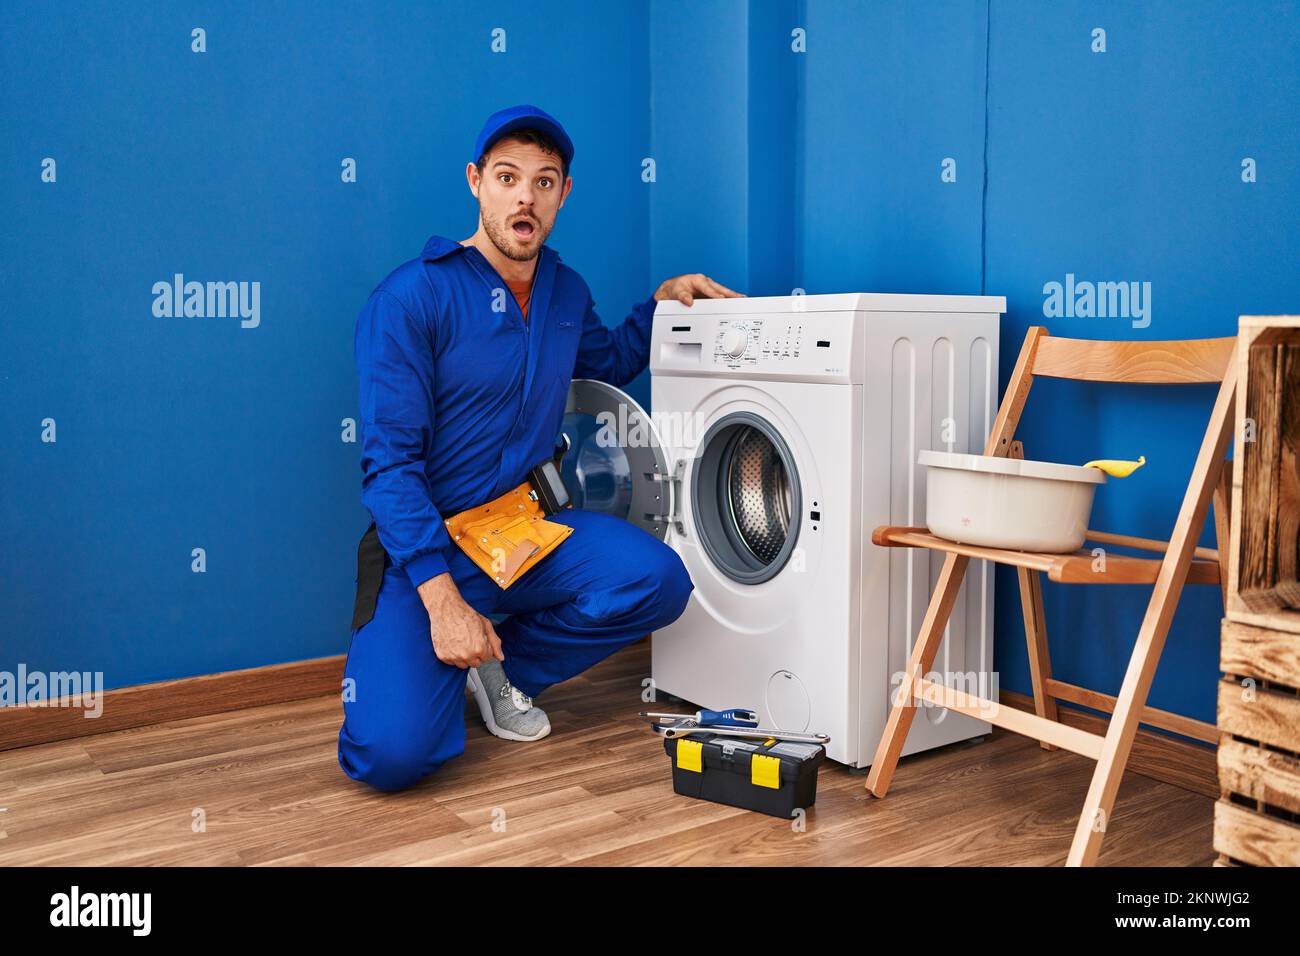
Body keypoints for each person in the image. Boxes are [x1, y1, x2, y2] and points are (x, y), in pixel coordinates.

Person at [338, 104, 743, 791]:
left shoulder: (564, 291)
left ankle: (504, 671)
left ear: (563, 194)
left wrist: (662, 303)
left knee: (658, 579)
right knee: (391, 755)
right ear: (476, 182)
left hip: (521, 531)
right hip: (428, 550)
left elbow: (609, 360)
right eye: (507, 177)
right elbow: (390, 468)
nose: (525, 197)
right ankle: (428, 666)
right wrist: (443, 603)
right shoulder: (410, 298)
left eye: (544, 181)